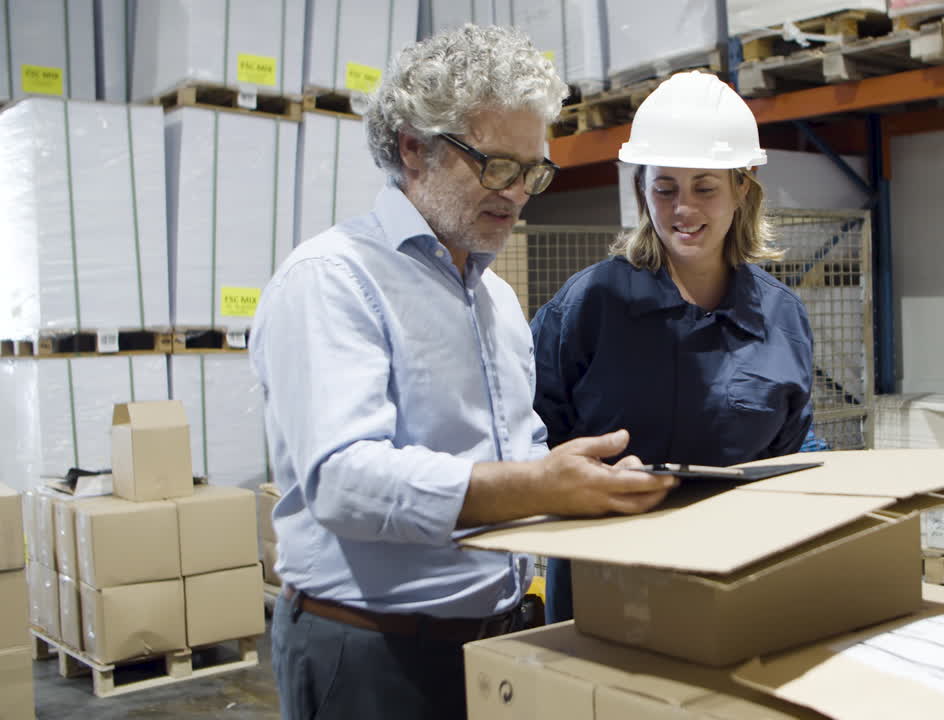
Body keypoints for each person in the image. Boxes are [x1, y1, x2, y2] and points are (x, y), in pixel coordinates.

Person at [249, 25, 677, 720]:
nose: (518, 194)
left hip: (494, 641)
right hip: (371, 654)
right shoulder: (332, 281)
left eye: (533, 171)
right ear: (414, 149)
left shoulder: (494, 298)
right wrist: (536, 485)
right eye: (497, 166)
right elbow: (343, 480)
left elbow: (514, 447)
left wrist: (585, 485)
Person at [531, 71, 816, 623]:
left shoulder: (780, 318)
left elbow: (785, 456)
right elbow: (533, 434)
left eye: (705, 187)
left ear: (742, 187)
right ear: (643, 191)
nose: (683, 209)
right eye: (665, 188)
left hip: (731, 580)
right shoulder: (590, 304)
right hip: (602, 584)